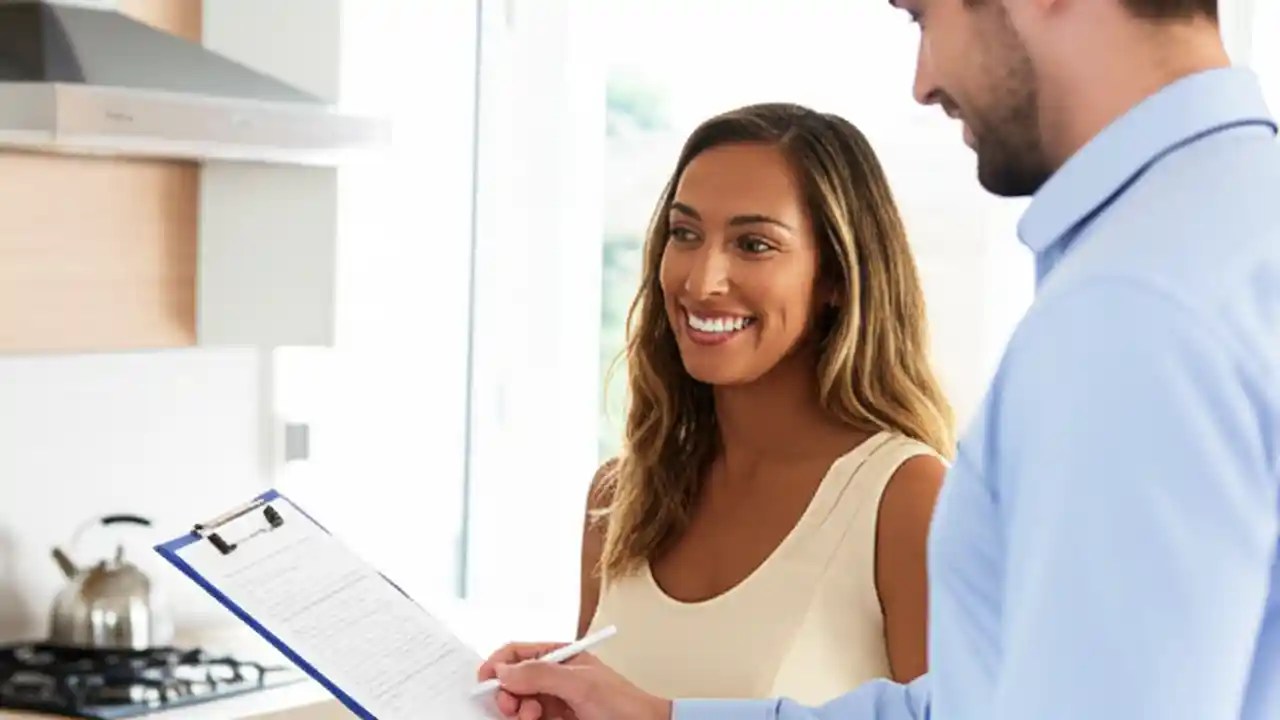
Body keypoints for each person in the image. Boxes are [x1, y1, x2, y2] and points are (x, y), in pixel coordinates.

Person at [477, 0, 1280, 718]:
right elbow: (966, 707)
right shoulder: (1208, 245)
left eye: (921, 16)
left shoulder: (1135, 309)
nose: (923, 82)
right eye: (684, 233)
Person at [575, 103, 954, 706]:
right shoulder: (620, 498)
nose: (702, 281)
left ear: (836, 278)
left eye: (753, 244)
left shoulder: (905, 499)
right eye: (685, 234)